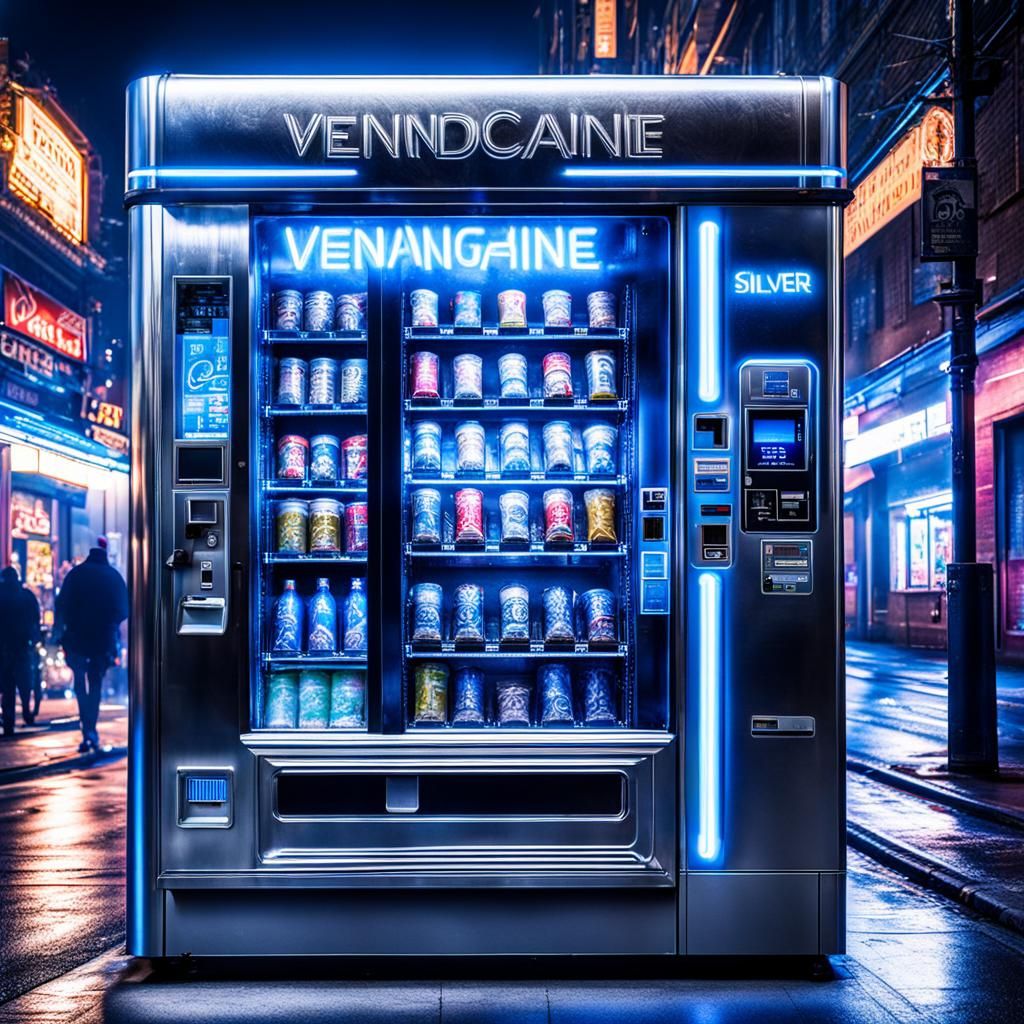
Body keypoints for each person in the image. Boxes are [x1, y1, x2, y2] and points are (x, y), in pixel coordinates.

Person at [54, 537, 129, 752]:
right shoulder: (114, 577)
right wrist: (110, 624)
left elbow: (62, 605)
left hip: (77, 638)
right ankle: (90, 728)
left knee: (79, 681)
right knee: (95, 681)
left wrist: (62, 630)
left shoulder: (75, 575)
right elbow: (124, 609)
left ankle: (85, 725)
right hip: (102, 639)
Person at [0, 566, 41, 738]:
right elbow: (35, 619)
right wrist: (35, 639)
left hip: (3, 648)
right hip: (23, 647)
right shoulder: (27, 596)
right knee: (25, 683)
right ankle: (26, 711)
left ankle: (8, 721)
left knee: (7, 687)